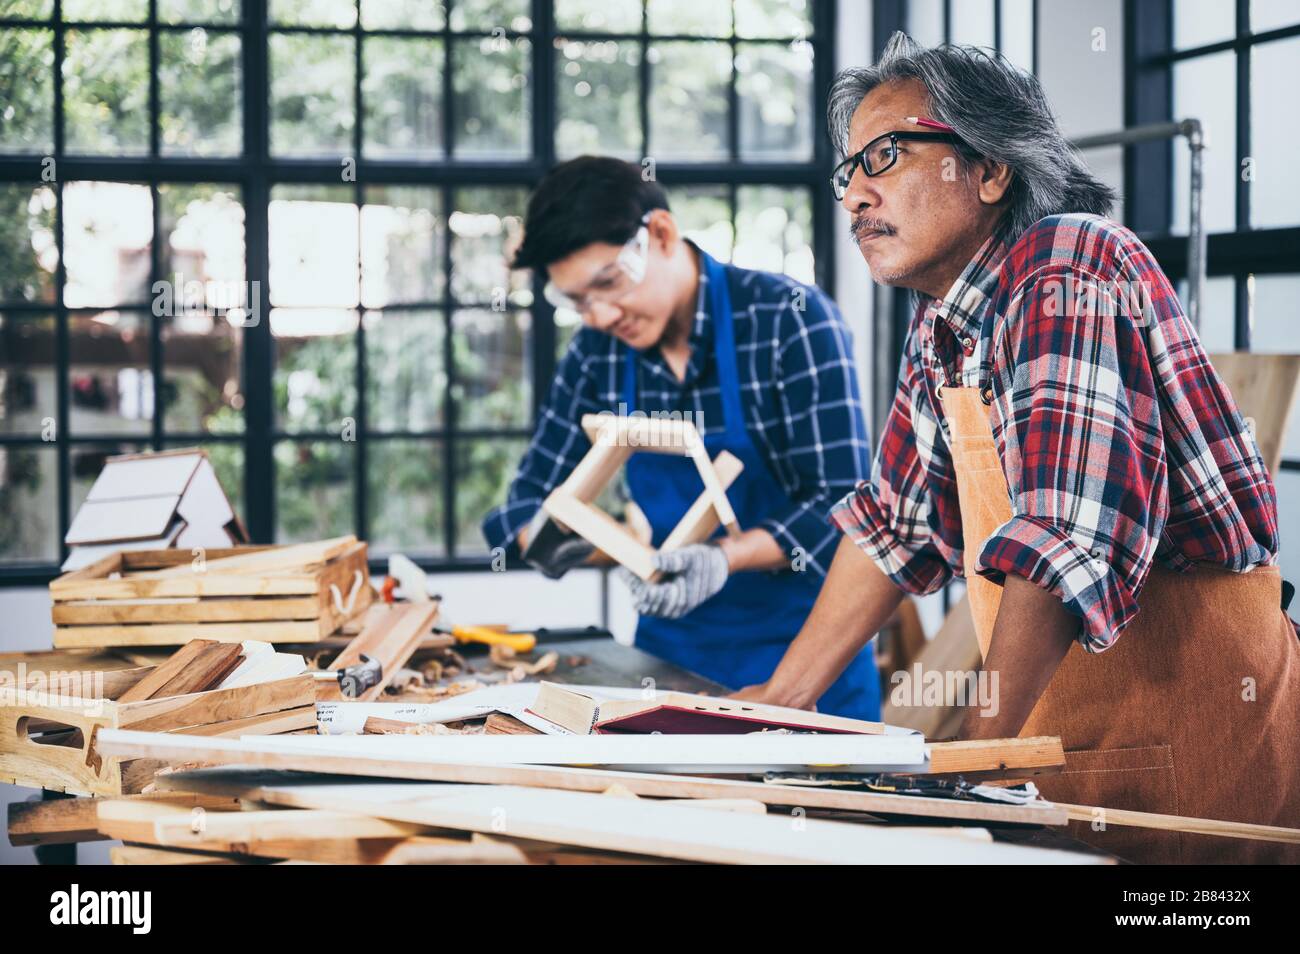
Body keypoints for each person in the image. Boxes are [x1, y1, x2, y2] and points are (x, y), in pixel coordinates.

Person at [733, 33, 1300, 862]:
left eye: (884, 156)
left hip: (1194, 711)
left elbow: (1060, 538)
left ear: (990, 169)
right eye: (845, 173)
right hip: (1066, 726)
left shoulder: (1069, 264)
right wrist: (782, 701)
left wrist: (976, 760)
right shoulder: (942, 323)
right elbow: (894, 525)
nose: (854, 196)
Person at [482, 156, 881, 719]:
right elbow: (522, 509)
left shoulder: (789, 321)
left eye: (607, 284)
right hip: (667, 664)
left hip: (805, 662)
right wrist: (613, 547)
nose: (597, 315)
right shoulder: (598, 352)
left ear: (661, 234)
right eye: (575, 301)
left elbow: (843, 509)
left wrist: (722, 558)